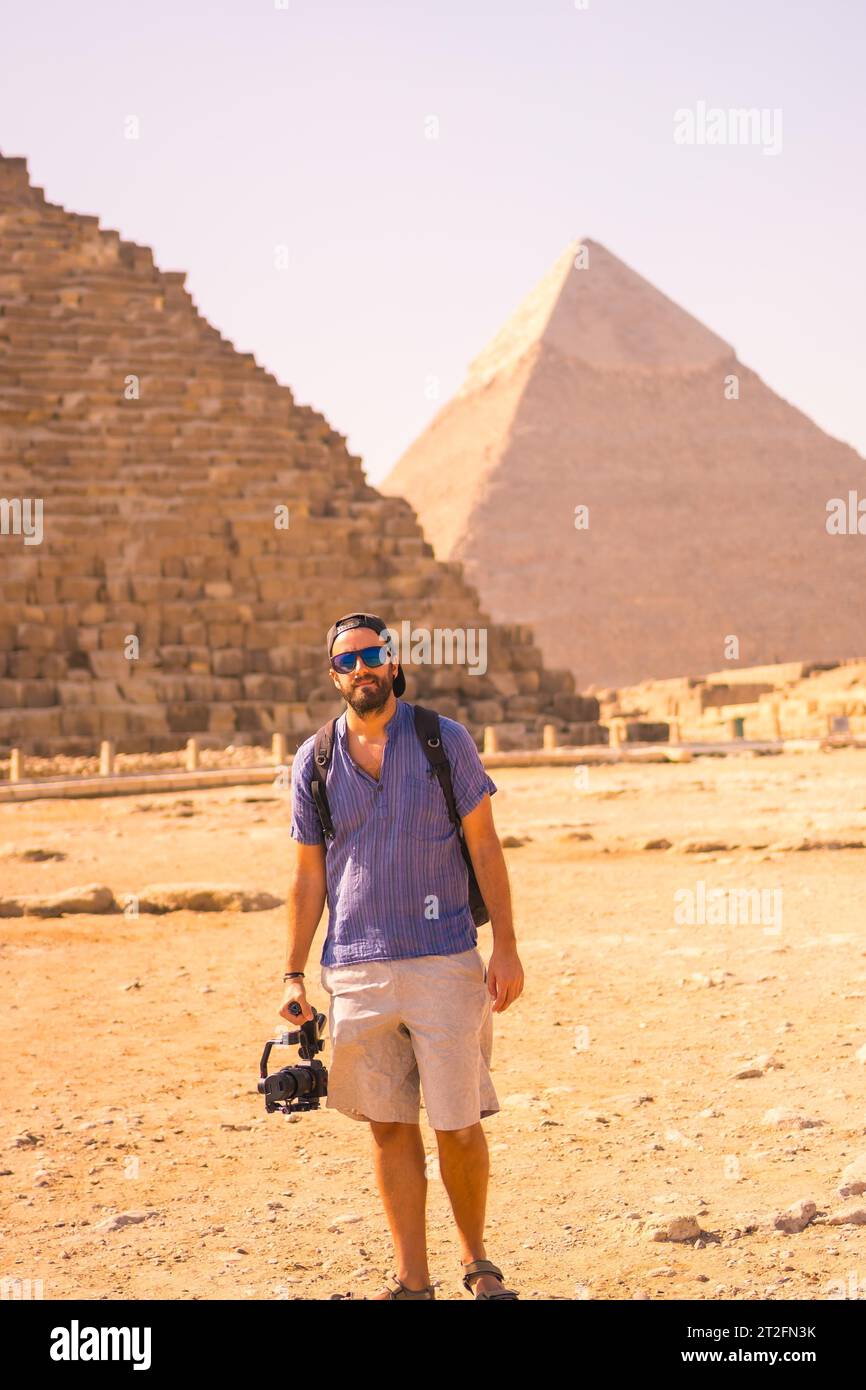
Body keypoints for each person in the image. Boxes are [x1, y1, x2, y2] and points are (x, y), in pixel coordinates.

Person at [280, 611, 524, 1300]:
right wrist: (293, 973)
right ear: (334, 676)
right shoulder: (316, 760)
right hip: (356, 964)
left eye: (372, 655)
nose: (362, 668)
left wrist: (505, 946)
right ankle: (412, 1281)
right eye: (347, 660)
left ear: (393, 662)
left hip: (445, 956)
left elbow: (485, 846)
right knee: (389, 1128)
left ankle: (478, 1264)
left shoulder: (443, 741)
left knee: (459, 1123)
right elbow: (307, 876)